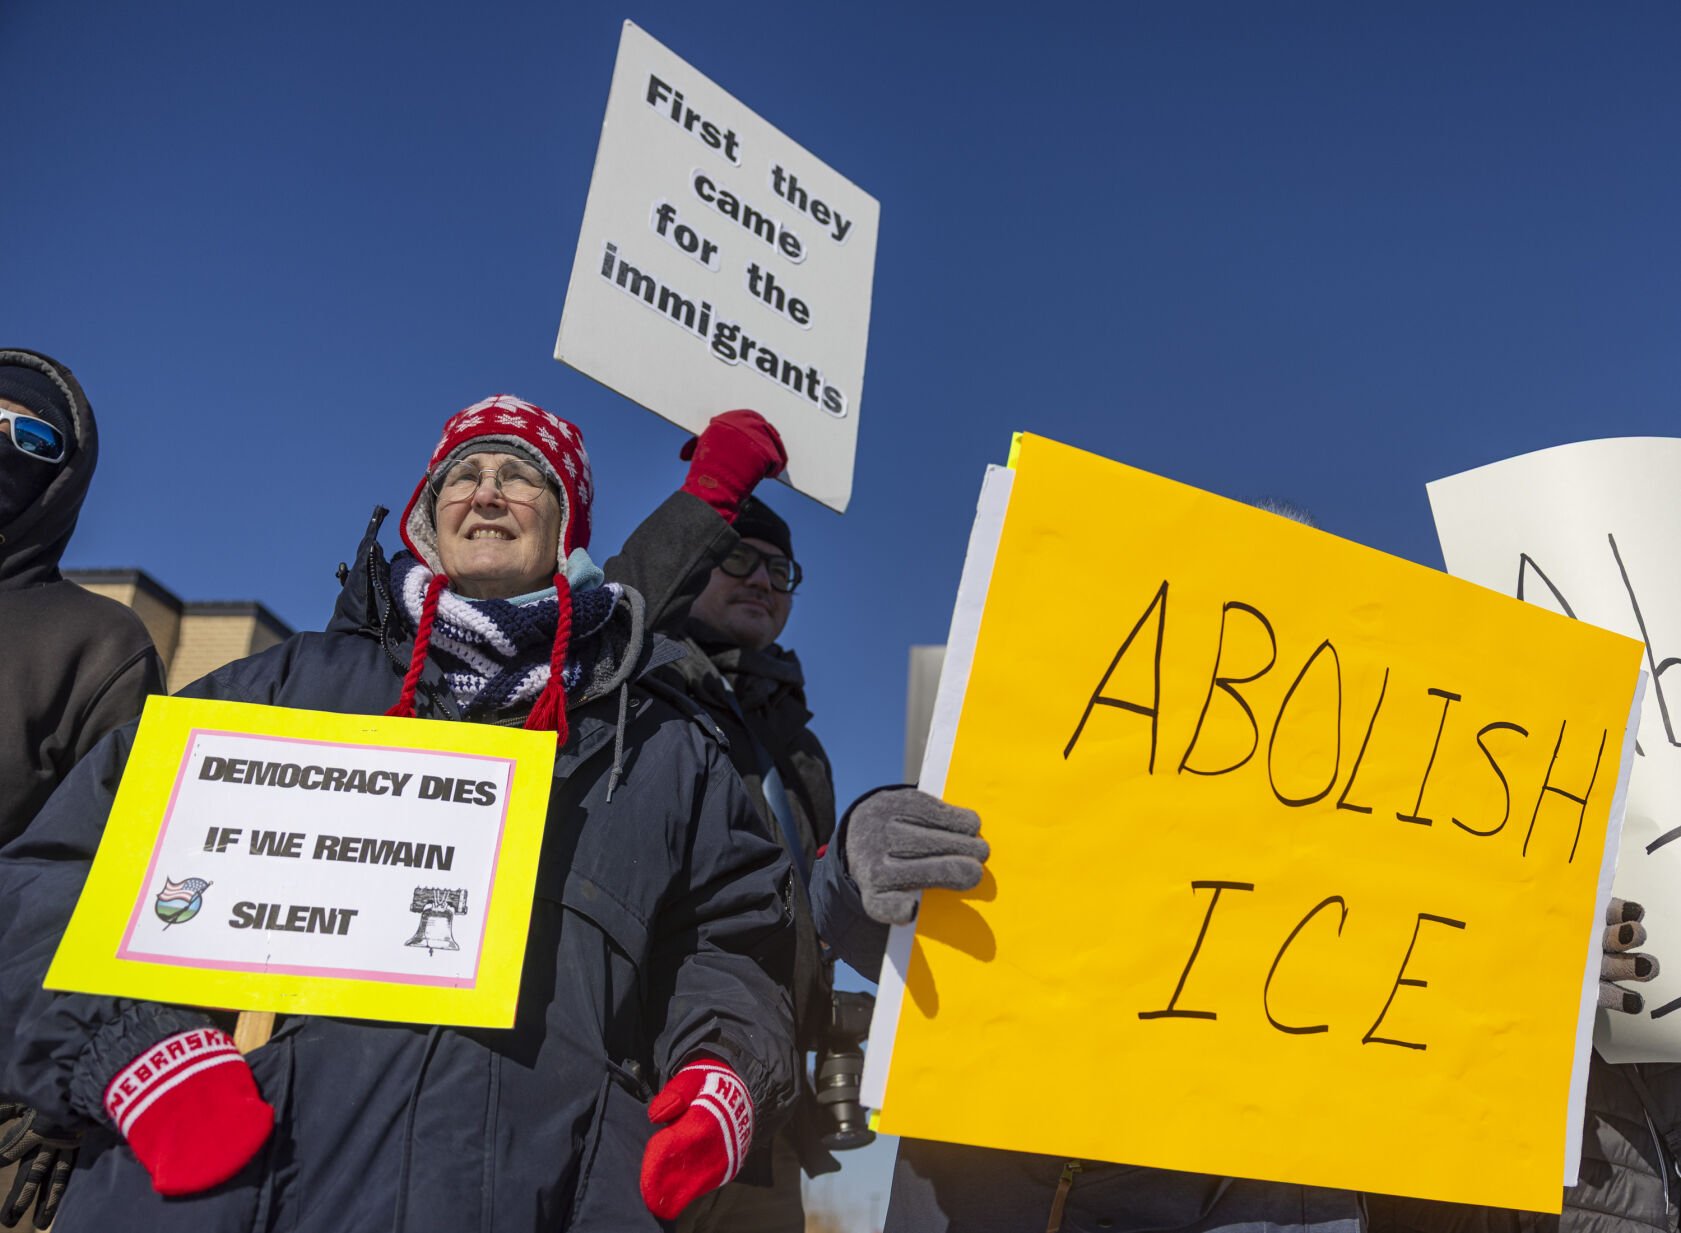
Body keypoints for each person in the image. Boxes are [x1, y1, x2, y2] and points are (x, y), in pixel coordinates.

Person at [0, 395, 797, 1232]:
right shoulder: (281, 692)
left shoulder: (663, 742)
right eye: (464, 475)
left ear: (567, 525)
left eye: (521, 476)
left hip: (552, 1197)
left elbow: (734, 939)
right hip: (247, 1190)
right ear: (426, 516)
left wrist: (724, 1075)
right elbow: (48, 875)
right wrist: (133, 1049)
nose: (487, 493)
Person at [605, 411, 990, 1233]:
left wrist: (843, 1005)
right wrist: (709, 495)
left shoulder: (796, 746)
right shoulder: (631, 683)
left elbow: (782, 927)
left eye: (782, 569)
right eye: (734, 555)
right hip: (636, 1093)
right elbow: (617, 612)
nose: (761, 579)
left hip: (763, 1122)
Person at [0, 349, 164, 1230]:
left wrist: (62, 1069)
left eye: (27, 436)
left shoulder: (97, 643)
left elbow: (111, 875)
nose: (1, 447)